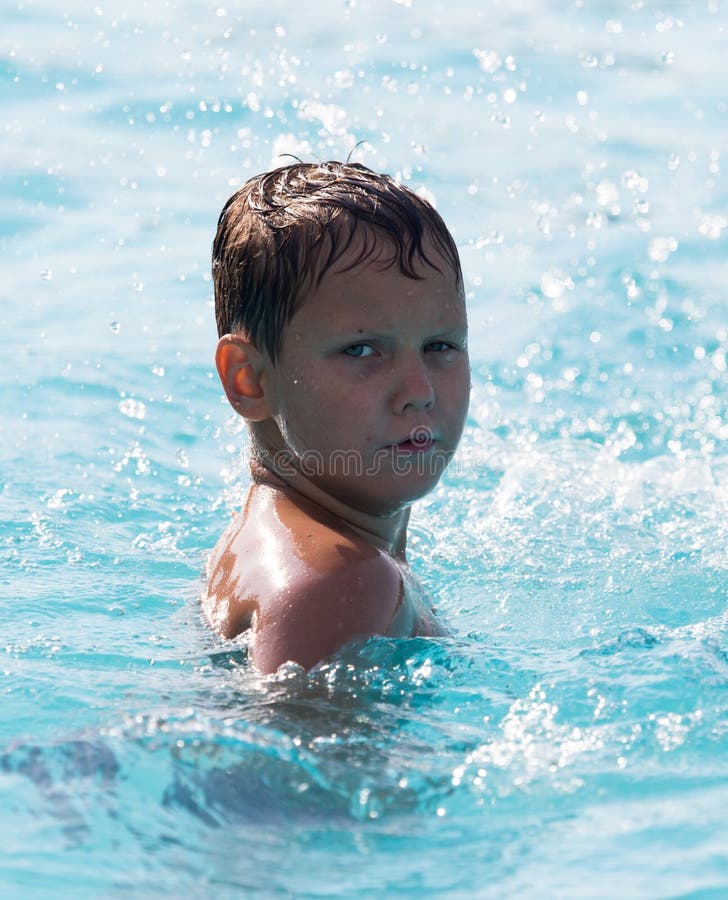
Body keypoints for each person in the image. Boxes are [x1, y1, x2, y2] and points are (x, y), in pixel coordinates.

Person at [203, 160, 470, 673]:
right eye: (363, 350)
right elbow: (295, 751)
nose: (419, 391)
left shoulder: (279, 546)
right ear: (248, 379)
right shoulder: (341, 582)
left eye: (440, 345)